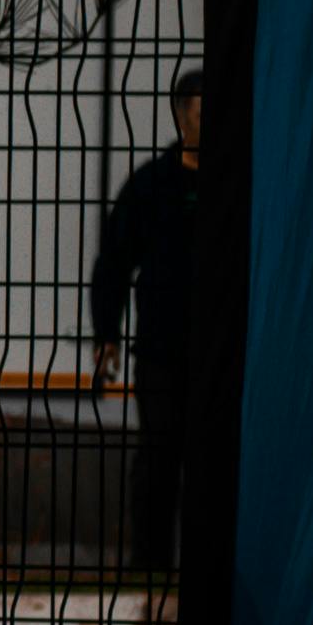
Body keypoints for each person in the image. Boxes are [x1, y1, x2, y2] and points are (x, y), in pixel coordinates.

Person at [89, 73, 205, 573]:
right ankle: (150, 567)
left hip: (222, 351)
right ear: (182, 116)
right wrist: (107, 334)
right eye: (203, 112)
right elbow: (114, 261)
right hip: (160, 348)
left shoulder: (238, 182)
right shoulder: (152, 185)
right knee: (157, 458)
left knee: (214, 464)